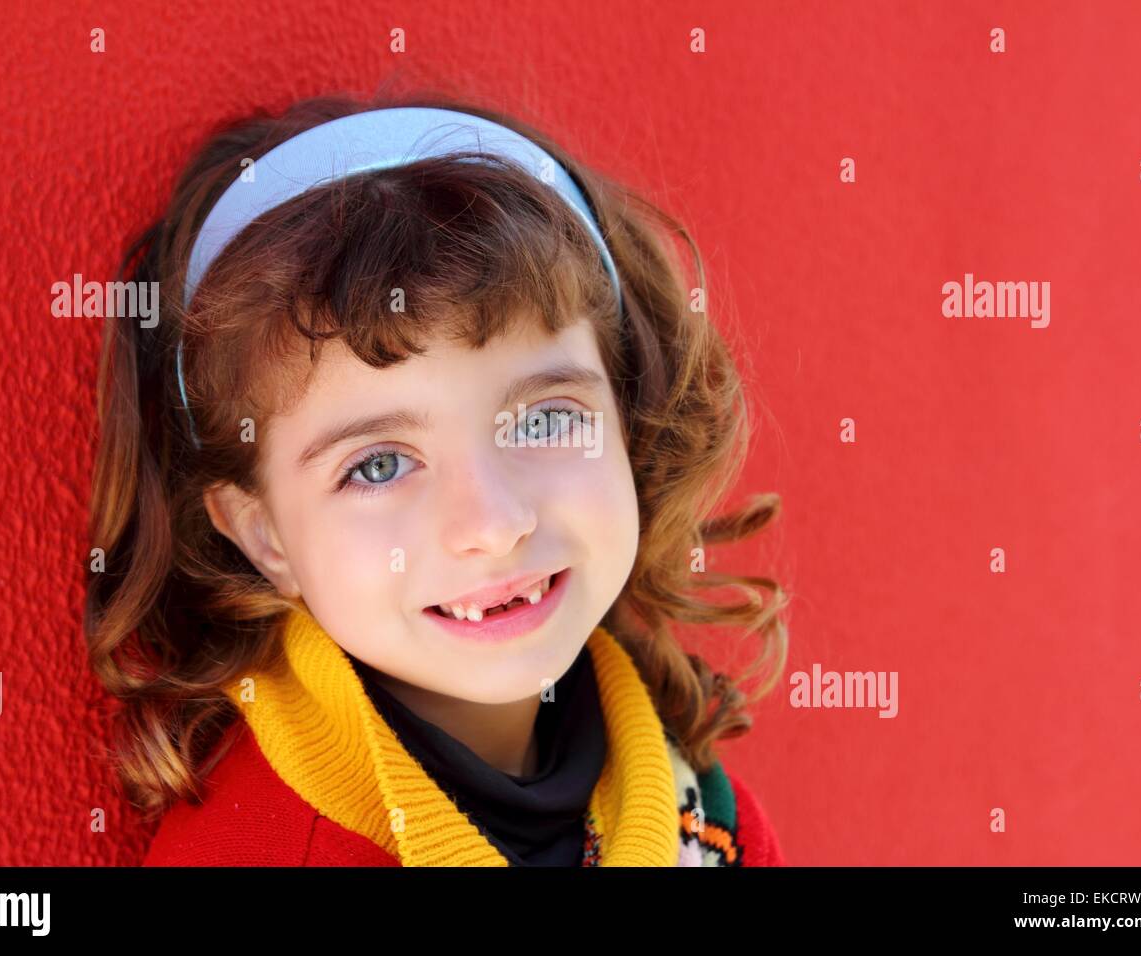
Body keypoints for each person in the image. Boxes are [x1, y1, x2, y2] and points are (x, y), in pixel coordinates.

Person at [86, 91, 789, 866]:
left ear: (628, 415)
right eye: (378, 465)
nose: (490, 522)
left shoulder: (712, 821)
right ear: (265, 534)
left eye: (546, 420)